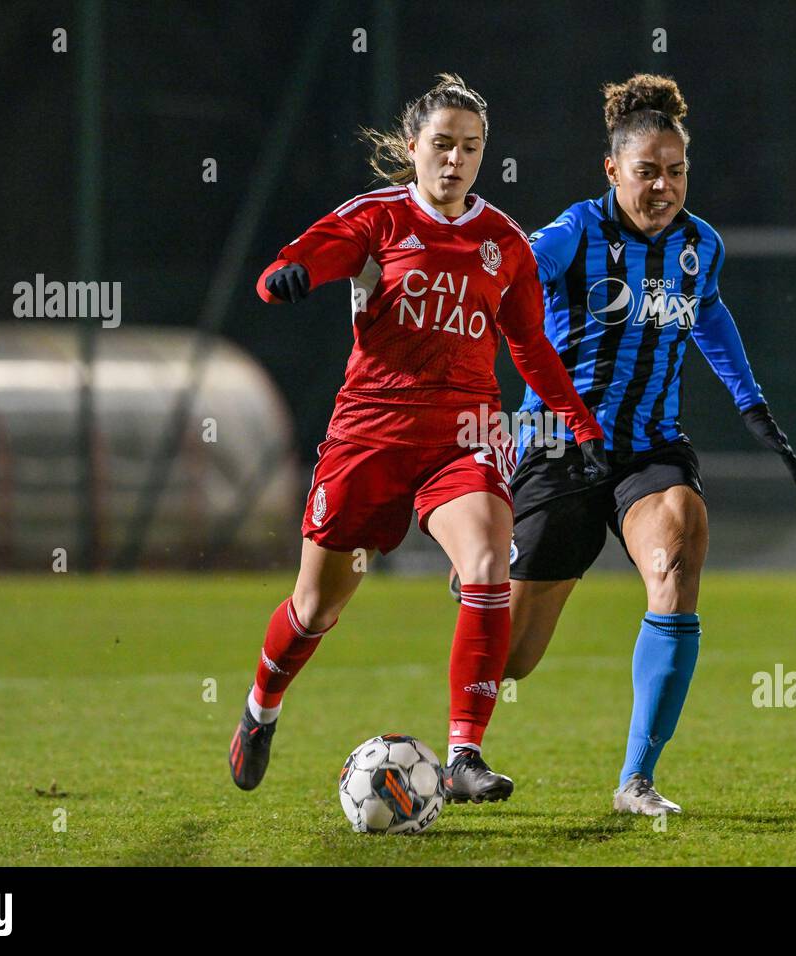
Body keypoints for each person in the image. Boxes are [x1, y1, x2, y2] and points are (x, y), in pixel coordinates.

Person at [230, 74, 610, 806]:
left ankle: (465, 753)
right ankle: (260, 709)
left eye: (470, 148)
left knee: (488, 562)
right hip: (369, 434)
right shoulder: (377, 218)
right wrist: (291, 276)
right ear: (413, 149)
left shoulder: (503, 242)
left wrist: (582, 427)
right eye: (441, 145)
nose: (455, 160)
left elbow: (529, 345)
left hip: (464, 435)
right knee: (317, 608)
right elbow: (315, 252)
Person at [478, 73, 796, 815]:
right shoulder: (575, 232)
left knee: (682, 536)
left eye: (677, 170)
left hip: (651, 449)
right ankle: (456, 747)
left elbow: (710, 315)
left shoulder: (700, 246)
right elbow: (516, 273)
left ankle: (637, 780)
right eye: (648, 171)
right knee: (517, 658)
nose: (664, 186)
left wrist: (752, 406)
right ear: (613, 170)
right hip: (560, 449)